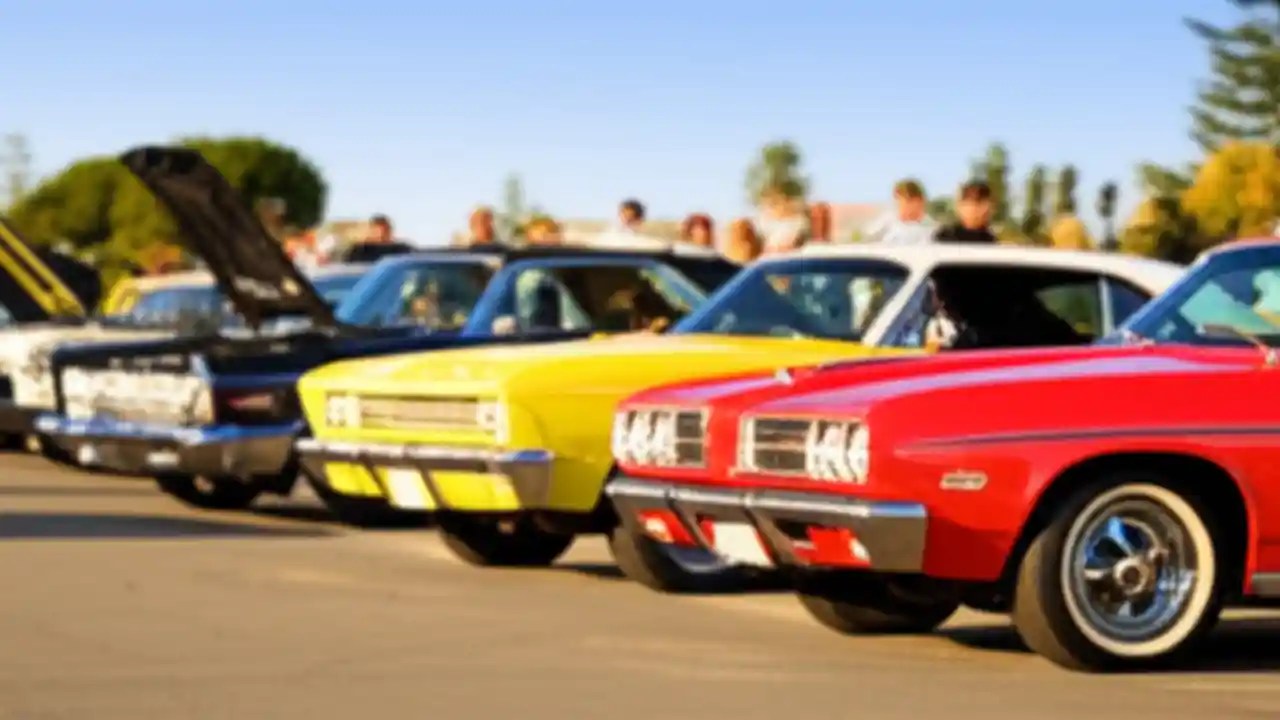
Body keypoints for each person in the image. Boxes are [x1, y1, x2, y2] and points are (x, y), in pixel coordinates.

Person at [863, 179, 936, 245]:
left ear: (920, 201)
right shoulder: (887, 220)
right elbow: (866, 239)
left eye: (907, 202)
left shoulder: (931, 229)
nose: (902, 207)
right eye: (898, 202)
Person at [337, 214, 414, 262]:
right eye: (376, 233)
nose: (380, 237)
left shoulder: (401, 250)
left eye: (384, 233)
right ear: (371, 232)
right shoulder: (359, 251)